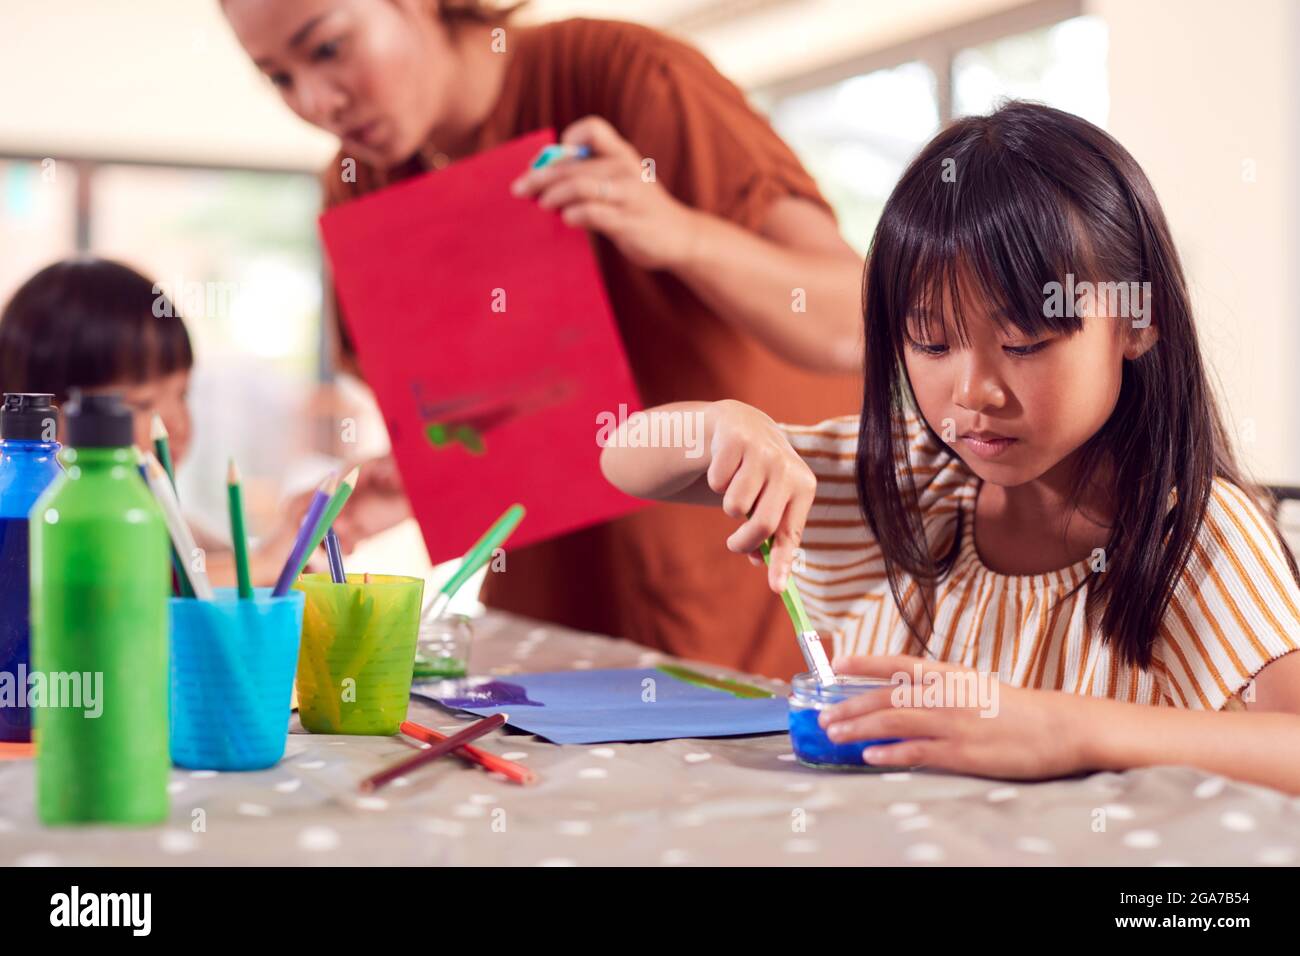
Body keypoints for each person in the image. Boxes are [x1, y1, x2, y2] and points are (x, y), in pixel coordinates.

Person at [599, 102, 1300, 793]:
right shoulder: (905, 484)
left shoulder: (1195, 536)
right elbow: (624, 460)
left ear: (1137, 324)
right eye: (931, 343)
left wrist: (1064, 729)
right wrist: (725, 425)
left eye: (1023, 343)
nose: (972, 393)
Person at [221, 0, 863, 676]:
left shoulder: (627, 77)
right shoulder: (358, 188)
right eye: (278, 78)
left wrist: (676, 230)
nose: (319, 102)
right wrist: (421, 481)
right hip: (554, 625)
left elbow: (855, 322)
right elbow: (520, 414)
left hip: (755, 592)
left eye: (326, 49)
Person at [0, 257, 312, 587]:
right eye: (143, 402)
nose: (175, 423)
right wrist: (262, 564)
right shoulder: (35, 510)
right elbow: (135, 586)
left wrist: (286, 544)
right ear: (40, 414)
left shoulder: (155, 510)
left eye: (183, 394)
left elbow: (210, 560)